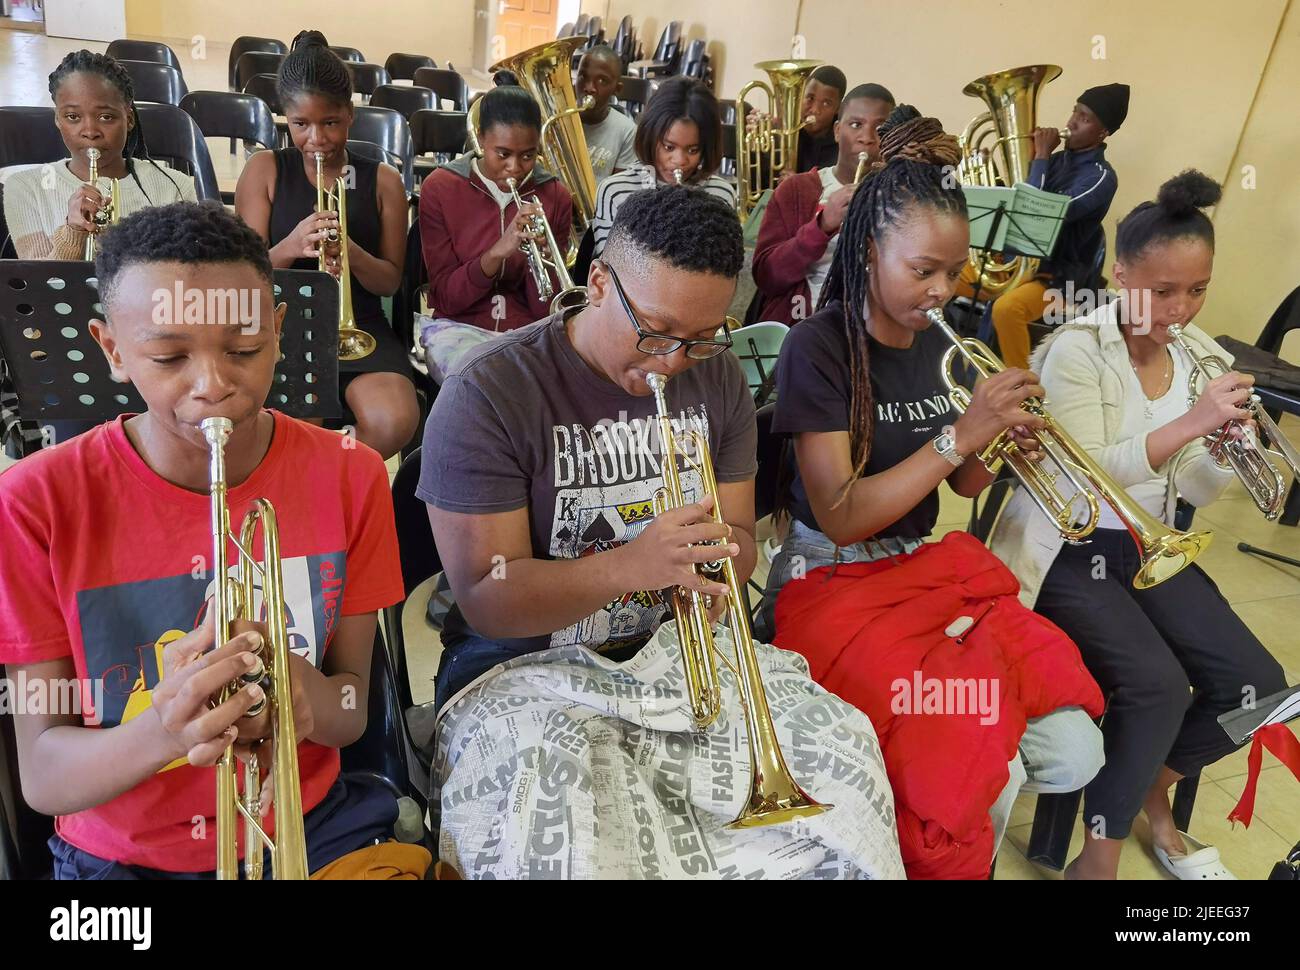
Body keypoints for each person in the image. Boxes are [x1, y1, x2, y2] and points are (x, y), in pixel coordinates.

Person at [418, 185, 905, 879]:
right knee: (577, 835)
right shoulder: (492, 394)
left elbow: (738, 539)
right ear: (596, 283)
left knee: (846, 756)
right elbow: (488, 600)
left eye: (703, 338)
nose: (675, 360)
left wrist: (721, 561)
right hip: (524, 670)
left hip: (674, 649)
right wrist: (631, 566)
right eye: (655, 330)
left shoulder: (719, 379)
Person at [0, 201, 429, 879]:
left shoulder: (351, 475)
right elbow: (45, 778)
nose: (214, 387)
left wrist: (293, 694)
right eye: (169, 356)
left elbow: (350, 713)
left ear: (280, 332)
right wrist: (164, 731)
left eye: (244, 350)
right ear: (112, 350)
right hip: (123, 856)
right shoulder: (32, 502)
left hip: (309, 823)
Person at [756, 106, 1105, 879]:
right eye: (924, 271)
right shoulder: (820, 349)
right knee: (977, 771)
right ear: (871, 250)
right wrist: (959, 435)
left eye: (956, 271)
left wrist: (1004, 445)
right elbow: (842, 517)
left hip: (923, 571)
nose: (944, 291)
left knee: (1074, 749)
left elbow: (967, 480)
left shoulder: (949, 344)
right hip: (830, 574)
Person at [989, 171, 1288, 881]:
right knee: (1154, 684)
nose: (1178, 310)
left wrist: (1221, 450)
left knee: (1259, 682)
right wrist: (1192, 422)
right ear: (1119, 275)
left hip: (1151, 541)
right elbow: (1086, 471)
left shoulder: (1203, 357)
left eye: (1197, 290)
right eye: (1160, 291)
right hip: (1068, 541)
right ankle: (1098, 853)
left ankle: (1153, 779)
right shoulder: (1077, 349)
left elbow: (1199, 491)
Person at [235, 30, 418, 460]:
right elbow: (243, 271)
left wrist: (350, 252)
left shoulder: (384, 181)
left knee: (394, 419)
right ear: (286, 119)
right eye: (301, 125)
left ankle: (327, 477)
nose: (315, 138)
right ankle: (312, 484)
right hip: (284, 322)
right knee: (295, 424)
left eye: (329, 123)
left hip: (364, 325)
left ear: (350, 115)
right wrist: (293, 244)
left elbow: (391, 281)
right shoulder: (264, 170)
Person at [416, 83, 574, 380]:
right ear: (480, 140)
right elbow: (446, 299)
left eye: (528, 156)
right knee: (483, 383)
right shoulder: (440, 187)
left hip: (527, 329)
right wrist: (498, 252)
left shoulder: (555, 196)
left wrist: (538, 256)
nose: (515, 168)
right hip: (458, 327)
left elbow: (548, 310)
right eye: (502, 154)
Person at [986, 83, 1129, 369]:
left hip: (1057, 279)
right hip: (1018, 261)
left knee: (1006, 308)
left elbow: (1038, 215)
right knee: (946, 278)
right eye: (1075, 111)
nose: (1071, 122)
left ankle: (1022, 388)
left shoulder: (1101, 178)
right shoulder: (1057, 160)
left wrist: (1039, 157)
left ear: (1102, 133)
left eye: (1085, 118)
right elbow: (1017, 205)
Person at [3, 50, 196, 260]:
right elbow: (40, 283)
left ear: (129, 119)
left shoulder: (175, 186)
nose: (90, 131)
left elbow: (187, 270)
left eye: (106, 117)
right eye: (72, 116)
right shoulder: (24, 187)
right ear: (58, 119)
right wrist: (73, 232)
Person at [751, 83, 895, 325]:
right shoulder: (796, 190)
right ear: (838, 131)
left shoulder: (899, 198)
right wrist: (822, 225)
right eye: (856, 125)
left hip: (870, 328)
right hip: (800, 325)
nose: (867, 138)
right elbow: (766, 276)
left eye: (880, 129)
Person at [589, 76, 735, 260]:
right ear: (650, 136)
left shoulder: (721, 194)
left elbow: (724, 269)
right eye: (669, 147)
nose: (679, 161)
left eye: (693, 149)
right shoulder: (615, 191)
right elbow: (609, 269)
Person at [743, 65, 847, 177]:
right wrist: (753, 146)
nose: (815, 110)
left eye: (826, 103)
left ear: (838, 109)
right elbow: (757, 181)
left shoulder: (843, 145)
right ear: (801, 95)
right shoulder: (779, 131)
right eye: (810, 98)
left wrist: (799, 186)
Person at [576, 44, 637, 183]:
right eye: (583, 76)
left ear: (617, 89)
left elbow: (617, 190)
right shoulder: (557, 120)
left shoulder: (627, 131)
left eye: (602, 81)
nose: (589, 88)